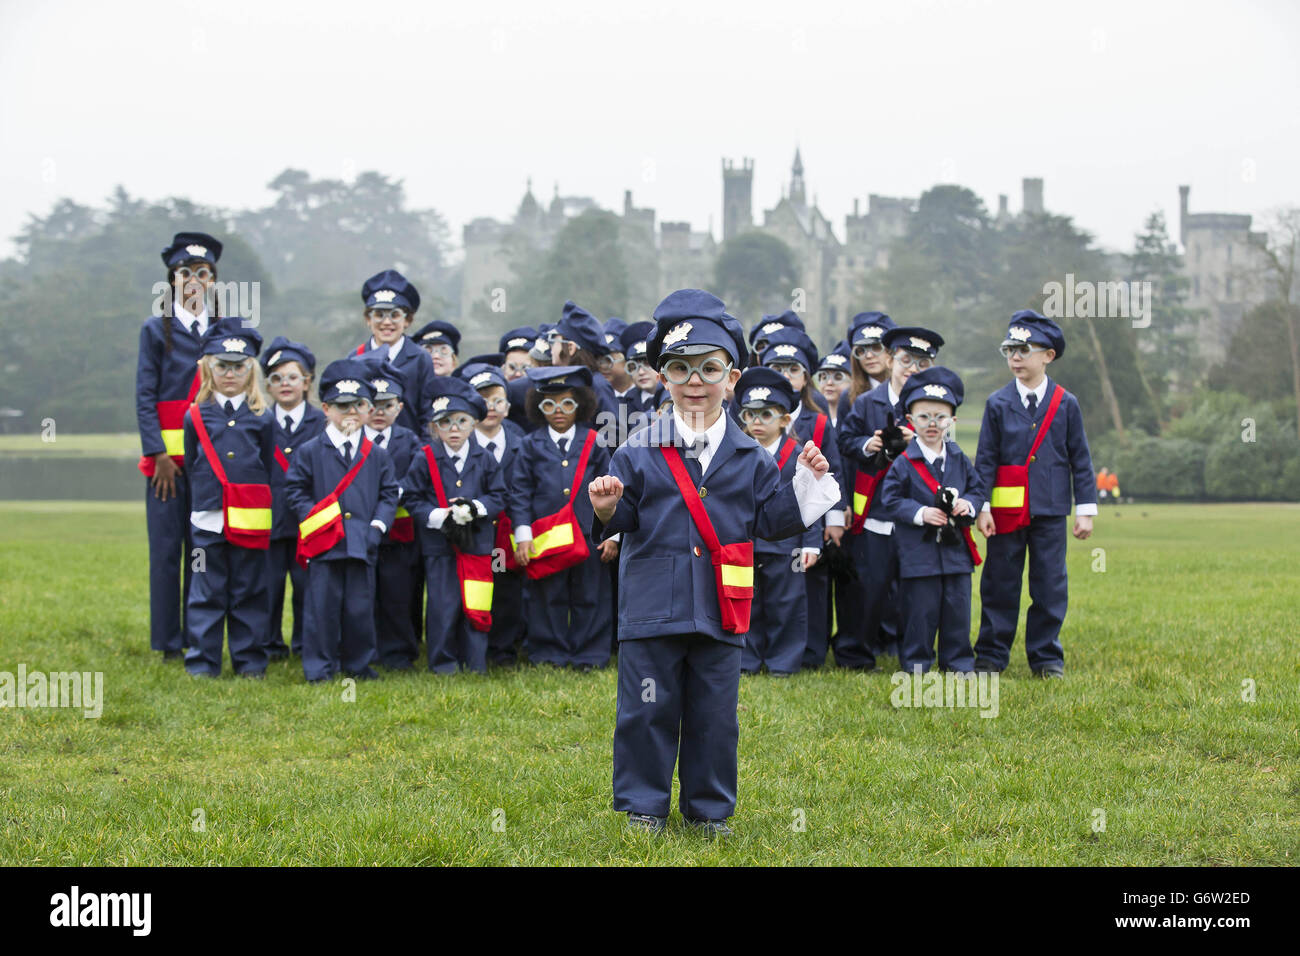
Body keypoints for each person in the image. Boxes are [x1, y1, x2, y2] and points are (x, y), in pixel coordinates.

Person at [589, 290, 839, 837]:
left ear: (733, 378)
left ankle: (708, 810)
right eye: (680, 369)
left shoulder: (750, 455)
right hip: (652, 605)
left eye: (709, 368)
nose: (694, 381)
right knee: (645, 711)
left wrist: (809, 483)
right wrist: (607, 507)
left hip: (723, 605)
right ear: (663, 377)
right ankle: (642, 807)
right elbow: (622, 520)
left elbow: (771, 521)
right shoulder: (635, 450)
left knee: (714, 716)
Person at [973, 311, 1096, 678]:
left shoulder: (1066, 403)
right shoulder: (997, 403)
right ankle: (991, 656)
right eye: (1009, 349)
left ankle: (1046, 658)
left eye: (1024, 350)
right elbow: (986, 460)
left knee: (1049, 585)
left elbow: (1081, 459)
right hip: (1006, 512)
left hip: (1050, 510)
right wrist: (981, 507)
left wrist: (1085, 510)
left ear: (1048, 355)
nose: (1015, 358)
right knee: (1000, 583)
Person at [836, 325, 945, 670]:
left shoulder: (933, 405)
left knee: (914, 589)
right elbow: (844, 441)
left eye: (922, 363)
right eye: (905, 360)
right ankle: (855, 653)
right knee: (867, 586)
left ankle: (910, 653)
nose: (912, 368)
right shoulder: (868, 402)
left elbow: (948, 453)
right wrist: (871, 444)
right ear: (890, 359)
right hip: (876, 508)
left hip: (918, 510)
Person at [285, 359, 399, 683]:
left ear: (368, 409)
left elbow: (389, 494)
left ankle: (358, 666)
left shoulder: (376, 454)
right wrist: (315, 520)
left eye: (359, 404)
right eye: (342, 405)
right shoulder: (310, 451)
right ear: (326, 409)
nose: (351, 412)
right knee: (322, 609)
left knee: (359, 609)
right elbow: (295, 489)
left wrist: (378, 527)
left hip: (363, 543)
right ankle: (319, 669)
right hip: (325, 544)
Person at [137, 231, 222, 660]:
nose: (193, 280)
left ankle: (199, 637)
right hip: (166, 468)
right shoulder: (155, 330)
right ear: (172, 279)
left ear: (212, 280)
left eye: (202, 272)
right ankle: (167, 642)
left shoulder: (226, 333)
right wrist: (156, 456)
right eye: (184, 272)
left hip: (212, 465)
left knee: (202, 553)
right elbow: (144, 395)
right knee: (168, 552)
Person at [181, 319, 276, 678]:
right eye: (222, 366)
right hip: (207, 521)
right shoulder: (194, 415)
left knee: (248, 591)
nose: (230, 374)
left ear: (250, 368)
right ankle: (202, 663)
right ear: (208, 366)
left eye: (239, 366)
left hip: (249, 522)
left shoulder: (261, 418)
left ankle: (250, 662)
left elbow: (267, 467)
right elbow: (192, 463)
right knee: (205, 591)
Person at [880, 368, 985, 674]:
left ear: (952, 421)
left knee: (957, 610)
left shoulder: (959, 457)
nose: (932, 424)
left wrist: (970, 504)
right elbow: (890, 500)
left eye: (940, 417)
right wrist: (920, 512)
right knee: (919, 612)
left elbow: (977, 489)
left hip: (956, 554)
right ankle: (917, 664)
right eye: (924, 417)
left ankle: (959, 664)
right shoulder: (903, 462)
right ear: (910, 421)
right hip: (918, 553)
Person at [509, 366, 615, 669]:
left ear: (580, 404)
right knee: (546, 595)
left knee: (591, 594)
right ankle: (548, 653)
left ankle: (590, 654)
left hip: (589, 533)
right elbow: (520, 492)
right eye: (549, 404)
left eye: (567, 403)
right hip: (546, 535)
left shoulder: (594, 441)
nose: (558, 411)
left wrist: (611, 534)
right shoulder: (529, 444)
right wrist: (523, 535)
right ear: (538, 407)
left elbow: (609, 490)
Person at [402, 376, 507, 674]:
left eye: (461, 421)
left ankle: (475, 662)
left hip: (477, 546)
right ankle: (443, 662)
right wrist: (439, 516)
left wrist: (476, 508)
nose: (454, 429)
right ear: (435, 427)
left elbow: (500, 495)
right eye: (445, 422)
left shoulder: (484, 459)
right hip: (439, 548)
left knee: (475, 602)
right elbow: (411, 496)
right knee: (442, 605)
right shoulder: (424, 458)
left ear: (474, 423)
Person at [759, 327, 845, 670]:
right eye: (777, 369)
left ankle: (807, 653)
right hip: (761, 533)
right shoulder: (748, 417)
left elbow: (833, 470)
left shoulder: (818, 420)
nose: (785, 376)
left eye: (793, 369)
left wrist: (834, 519)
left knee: (803, 593)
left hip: (805, 524)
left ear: (806, 377)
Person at [734, 367, 819, 676]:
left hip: (787, 547)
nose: (757, 421)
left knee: (787, 606)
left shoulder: (800, 455)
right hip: (745, 544)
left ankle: (783, 663)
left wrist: (812, 543)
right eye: (749, 414)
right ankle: (747, 660)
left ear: (785, 419)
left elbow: (811, 503)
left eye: (766, 414)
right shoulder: (737, 454)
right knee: (747, 603)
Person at [460, 361, 528, 666]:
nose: (490, 407)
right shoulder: (460, 443)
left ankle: (504, 649)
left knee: (508, 591)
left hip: (509, 532)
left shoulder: (521, 444)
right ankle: (471, 649)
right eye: (482, 400)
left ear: (508, 406)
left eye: (497, 400)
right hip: (472, 533)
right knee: (472, 590)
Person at [358, 358, 424, 670]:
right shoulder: (355, 441)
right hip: (361, 529)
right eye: (373, 404)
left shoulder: (409, 440)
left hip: (399, 531)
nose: (380, 412)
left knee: (398, 593)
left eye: (388, 404)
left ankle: (399, 652)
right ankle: (365, 649)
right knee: (364, 592)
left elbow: (413, 481)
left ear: (399, 407)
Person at [262, 336, 324, 659]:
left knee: (306, 588)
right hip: (270, 521)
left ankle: (303, 644)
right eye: (276, 378)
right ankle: (270, 645)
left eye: (292, 377)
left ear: (307, 382)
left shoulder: (323, 423)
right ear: (268, 386)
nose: (284, 384)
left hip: (307, 523)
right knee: (269, 589)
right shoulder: (259, 422)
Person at [353, 270, 438, 437]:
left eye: (395, 315)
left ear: (407, 320)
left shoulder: (420, 359)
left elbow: (428, 413)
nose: (386, 322)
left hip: (409, 451)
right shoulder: (356, 358)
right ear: (368, 319)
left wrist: (422, 453)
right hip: (364, 453)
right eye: (379, 315)